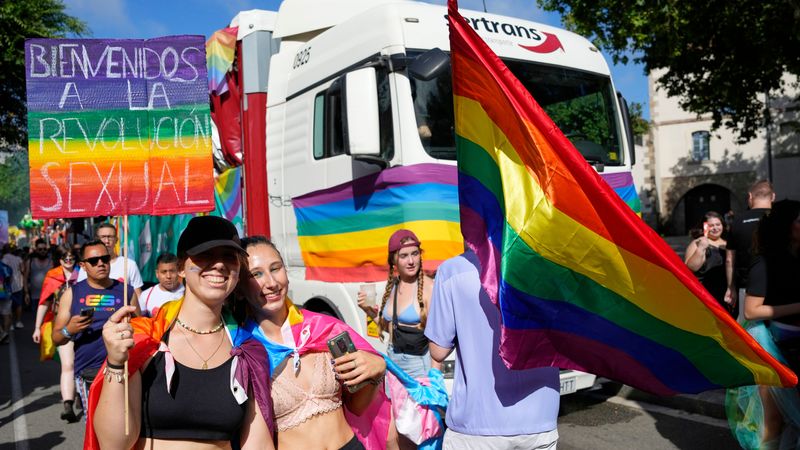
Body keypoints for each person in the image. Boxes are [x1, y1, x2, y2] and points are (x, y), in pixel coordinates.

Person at [85, 216, 274, 450]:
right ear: (182, 267)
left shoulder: (248, 351)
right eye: (205, 254)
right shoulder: (145, 341)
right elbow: (114, 444)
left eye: (229, 256)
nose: (219, 264)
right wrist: (115, 363)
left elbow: (258, 444)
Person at [240, 236, 388, 450]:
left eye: (275, 268)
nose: (271, 283)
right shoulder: (245, 351)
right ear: (240, 288)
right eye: (256, 274)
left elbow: (356, 407)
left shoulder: (323, 329)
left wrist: (377, 372)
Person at [426, 250, 560, 449]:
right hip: (540, 415)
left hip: (477, 422)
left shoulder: (454, 269)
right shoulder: (549, 262)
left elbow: (438, 351)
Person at [732, 200, 800, 449]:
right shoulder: (764, 262)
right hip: (776, 347)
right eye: (799, 219)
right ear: (787, 226)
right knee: (774, 420)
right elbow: (751, 311)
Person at [51, 239, 139, 416]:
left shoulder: (126, 291)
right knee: (94, 425)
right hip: (89, 372)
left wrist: (132, 325)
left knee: (124, 422)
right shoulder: (72, 293)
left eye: (105, 259)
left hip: (123, 368)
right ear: (83, 265)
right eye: (93, 261)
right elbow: (56, 337)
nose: (101, 264)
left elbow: (141, 330)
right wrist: (70, 329)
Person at [357, 230, 437, 381]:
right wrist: (369, 311)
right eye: (404, 256)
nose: (411, 261)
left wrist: (434, 377)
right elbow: (391, 329)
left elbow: (439, 337)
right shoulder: (395, 285)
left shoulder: (429, 287)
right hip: (392, 360)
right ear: (393, 260)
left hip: (418, 366)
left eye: (415, 254)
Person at [31, 245, 80, 422]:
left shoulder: (84, 273)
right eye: (65, 258)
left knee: (82, 364)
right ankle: (68, 404)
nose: (68, 261)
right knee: (68, 365)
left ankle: (80, 394)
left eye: (71, 258)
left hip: (85, 324)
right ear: (59, 260)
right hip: (62, 325)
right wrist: (37, 327)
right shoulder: (52, 276)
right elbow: (44, 302)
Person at [726, 180, 775, 320]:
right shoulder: (782, 218)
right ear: (773, 197)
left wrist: (731, 287)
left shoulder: (738, 221)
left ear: (750, 196)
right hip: (778, 286)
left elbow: (729, 260)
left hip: (747, 289)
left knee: (750, 331)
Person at [77, 222, 144, 297]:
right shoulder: (88, 264)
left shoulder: (129, 264)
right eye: (103, 237)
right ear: (97, 239)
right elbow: (80, 292)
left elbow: (138, 295)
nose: (106, 241)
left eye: (110, 237)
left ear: (116, 240)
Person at [684, 211, 731, 315]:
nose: (715, 228)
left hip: (725, 294)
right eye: (711, 225)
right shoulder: (697, 243)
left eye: (718, 224)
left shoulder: (729, 244)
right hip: (704, 294)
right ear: (704, 227)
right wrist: (701, 248)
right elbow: (691, 268)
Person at [139, 252, 185, 317]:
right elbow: (140, 320)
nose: (168, 276)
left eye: (172, 271)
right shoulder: (146, 296)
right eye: (164, 272)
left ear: (178, 271)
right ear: (157, 273)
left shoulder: (188, 293)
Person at [24, 239, 54, 328]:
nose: (42, 251)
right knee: (37, 319)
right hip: (35, 296)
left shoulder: (51, 261)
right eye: (40, 249)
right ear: (36, 250)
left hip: (49, 295)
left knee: (48, 319)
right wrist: (26, 293)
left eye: (44, 249)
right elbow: (25, 277)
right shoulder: (30, 261)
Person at [1, 244, 25, 332]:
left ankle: (10, 325)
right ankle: (18, 322)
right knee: (18, 304)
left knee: (8, 306)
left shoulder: (3, 260)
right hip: (18, 284)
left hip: (7, 287)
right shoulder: (18, 259)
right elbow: (23, 270)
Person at [0, 258, 13, 343]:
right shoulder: (7, 267)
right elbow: (10, 280)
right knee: (6, 314)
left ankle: (2, 333)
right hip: (7, 293)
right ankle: (5, 333)